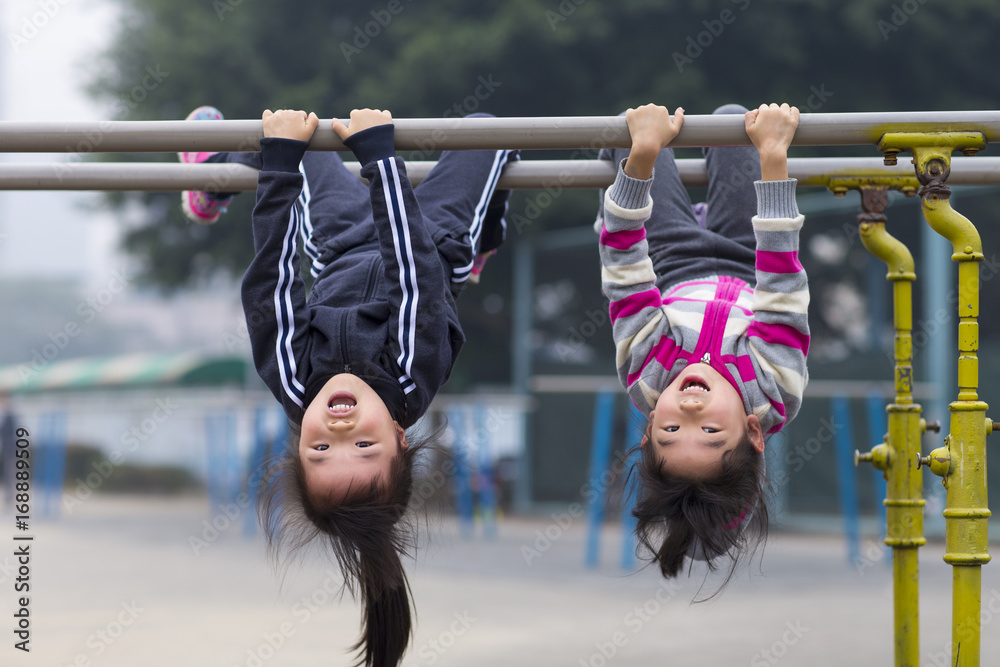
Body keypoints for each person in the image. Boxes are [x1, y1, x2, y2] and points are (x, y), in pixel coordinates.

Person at [180, 106, 516, 667]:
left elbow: (271, 281)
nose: (339, 429)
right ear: (401, 439)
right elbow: (413, 273)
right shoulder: (412, 375)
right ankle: (484, 238)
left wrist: (283, 162)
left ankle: (210, 177)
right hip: (435, 242)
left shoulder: (293, 379)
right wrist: (379, 158)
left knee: (292, 135)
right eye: (363, 446)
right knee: (491, 128)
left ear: (297, 443)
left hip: (338, 243)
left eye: (319, 449)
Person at [596, 102, 809, 591]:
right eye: (711, 428)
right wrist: (774, 156)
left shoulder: (646, 375)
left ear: (649, 427)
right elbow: (781, 287)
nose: (689, 405)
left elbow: (625, 273)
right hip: (749, 258)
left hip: (671, 262)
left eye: (671, 427)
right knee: (736, 120)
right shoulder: (774, 389)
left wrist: (643, 158)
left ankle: (637, 161)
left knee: (629, 136)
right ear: (754, 433)